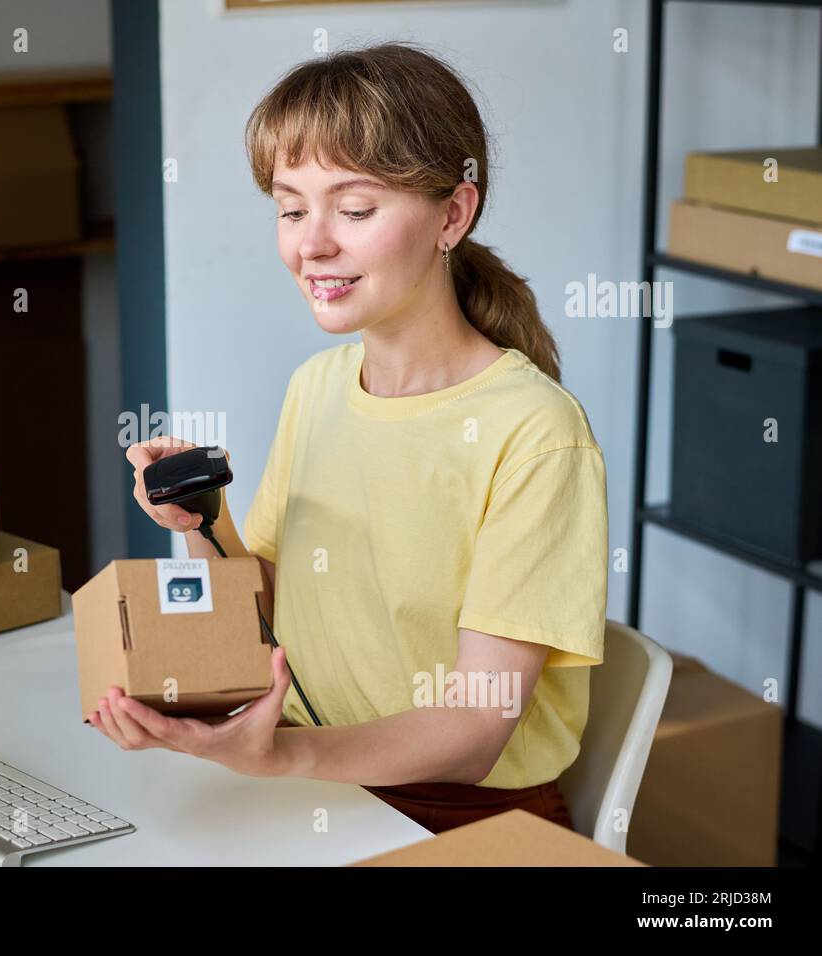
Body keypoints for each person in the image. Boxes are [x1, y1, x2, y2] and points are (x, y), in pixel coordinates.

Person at [87, 41, 607, 835]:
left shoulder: (536, 435)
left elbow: (473, 732)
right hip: (313, 780)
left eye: (354, 209)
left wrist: (280, 758)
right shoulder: (319, 388)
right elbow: (254, 611)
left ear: (453, 215)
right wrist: (201, 521)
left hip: (463, 816)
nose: (312, 243)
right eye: (291, 208)